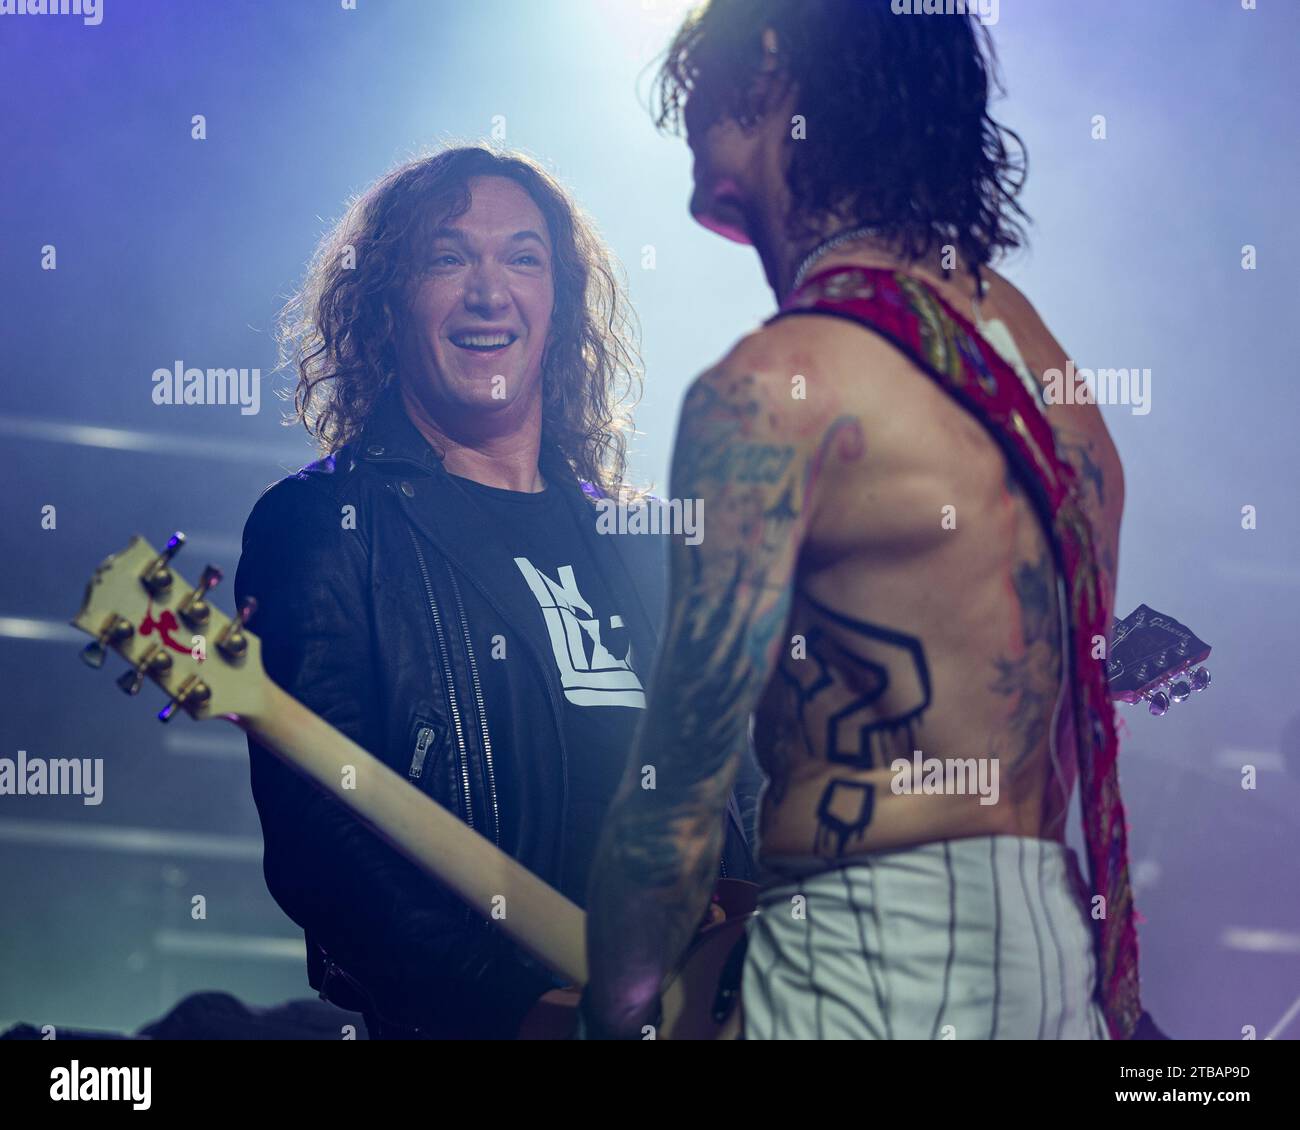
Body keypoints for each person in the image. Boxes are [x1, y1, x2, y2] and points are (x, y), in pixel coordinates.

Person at [585, 0, 1161, 1040]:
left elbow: (678, 792)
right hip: (1044, 941)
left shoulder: (772, 387)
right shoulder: (1032, 353)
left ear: (768, 73)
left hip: (864, 949)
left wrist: (615, 1007)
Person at [234, 145, 756, 1040]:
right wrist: (509, 1009)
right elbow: (324, 842)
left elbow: (742, 800)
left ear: (562, 304)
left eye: (523, 258)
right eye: (447, 257)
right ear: (385, 302)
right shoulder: (324, 525)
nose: (489, 292)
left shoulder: (653, 545)